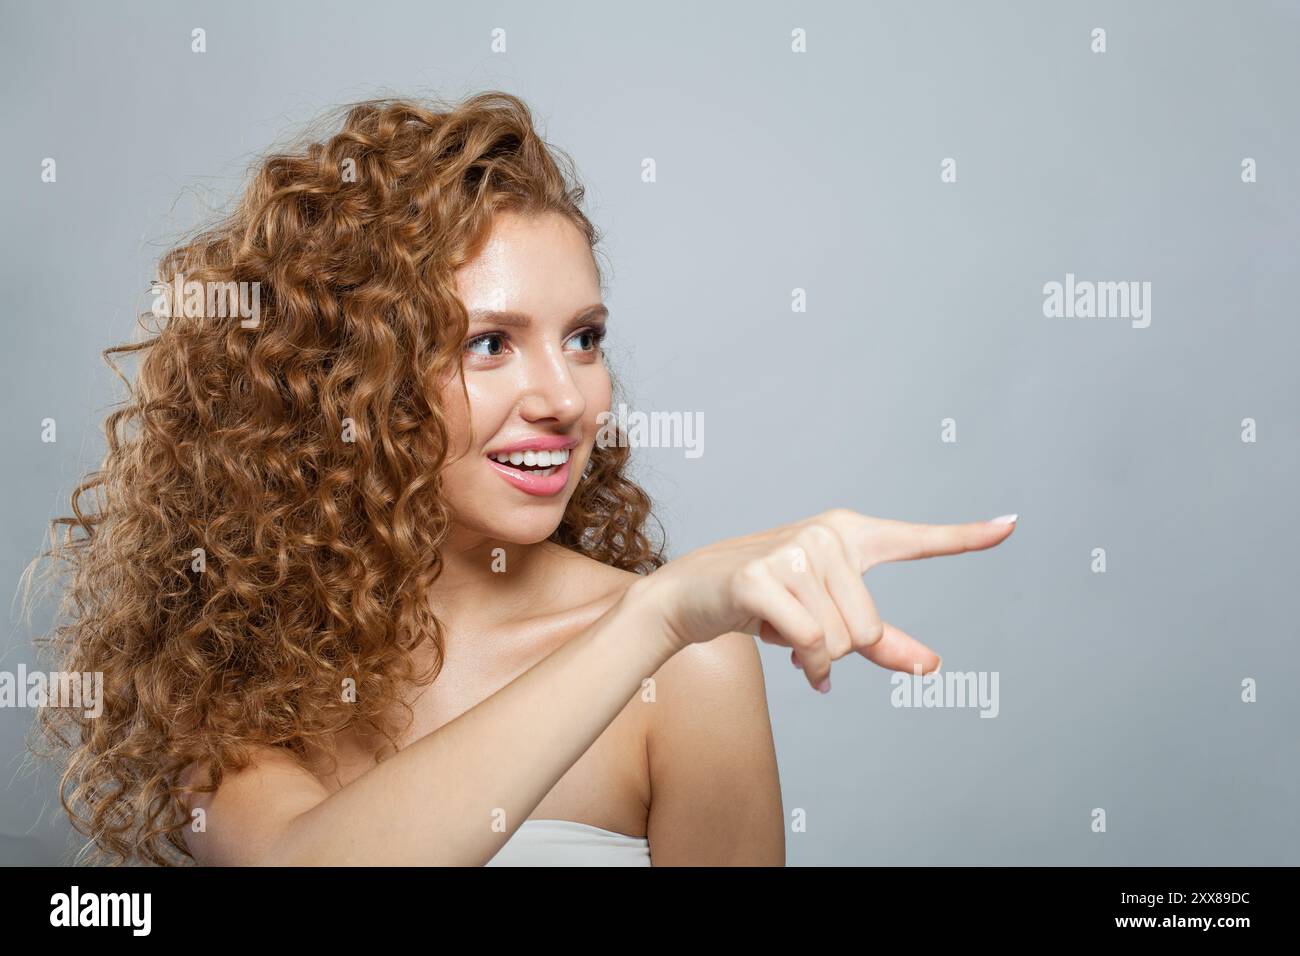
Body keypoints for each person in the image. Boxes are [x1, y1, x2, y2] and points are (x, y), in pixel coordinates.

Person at [33, 91, 1016, 866]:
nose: (564, 395)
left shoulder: (690, 669)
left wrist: (658, 626)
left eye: (583, 339)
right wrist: (651, 618)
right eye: (490, 343)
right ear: (344, 376)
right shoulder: (231, 665)